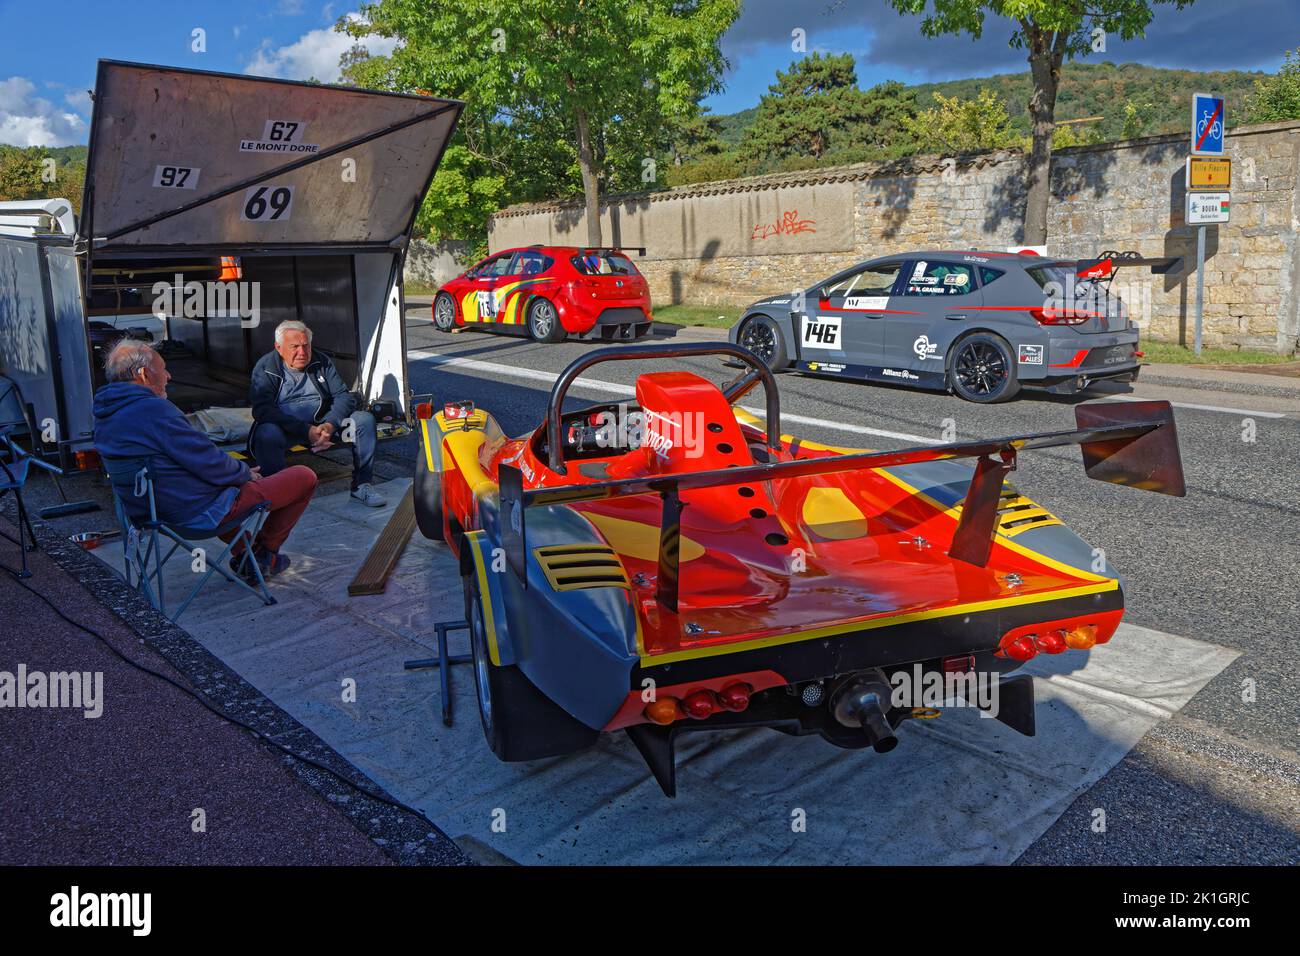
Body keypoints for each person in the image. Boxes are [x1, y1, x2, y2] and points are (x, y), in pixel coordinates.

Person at [93, 339, 316, 582]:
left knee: (225, 481)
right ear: (144, 375)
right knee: (304, 476)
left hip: (152, 513)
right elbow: (207, 460)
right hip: (194, 512)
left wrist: (232, 473)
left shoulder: (105, 414)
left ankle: (246, 554)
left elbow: (199, 462)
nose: (168, 375)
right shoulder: (153, 410)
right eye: (164, 368)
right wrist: (242, 472)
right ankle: (265, 556)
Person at [249, 320, 386, 507]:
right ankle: (276, 496)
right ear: (279, 348)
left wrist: (330, 425)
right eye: (294, 347)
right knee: (266, 434)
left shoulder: (321, 361)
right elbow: (262, 410)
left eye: (306, 346)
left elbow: (343, 397)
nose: (302, 352)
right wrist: (305, 430)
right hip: (287, 428)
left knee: (363, 421)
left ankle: (362, 485)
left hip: (322, 423)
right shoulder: (266, 368)